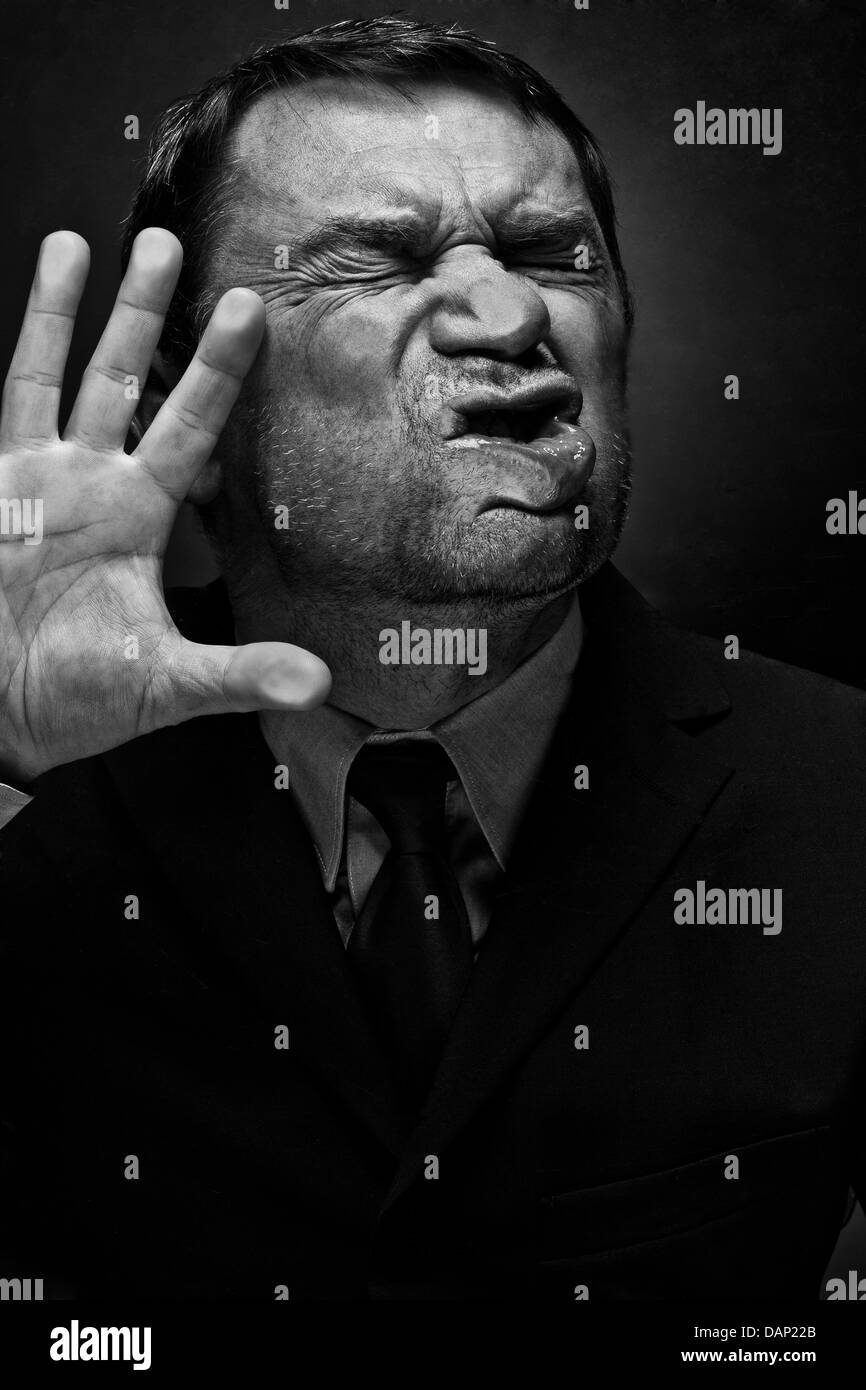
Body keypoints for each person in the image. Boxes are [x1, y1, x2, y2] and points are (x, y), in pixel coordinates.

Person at [0, 16, 863, 1301]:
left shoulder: (843, 793)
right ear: (192, 400)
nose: (509, 314)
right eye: (376, 262)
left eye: (543, 253)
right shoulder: (39, 801)